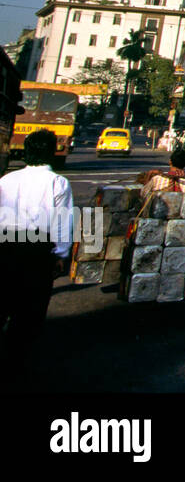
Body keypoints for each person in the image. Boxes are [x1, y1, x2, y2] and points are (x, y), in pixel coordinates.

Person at [0, 130, 72, 376]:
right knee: (29, 311)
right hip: (37, 250)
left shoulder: (7, 179)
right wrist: (61, 255)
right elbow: (62, 222)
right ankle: (13, 365)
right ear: (51, 152)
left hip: (5, 245)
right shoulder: (58, 183)